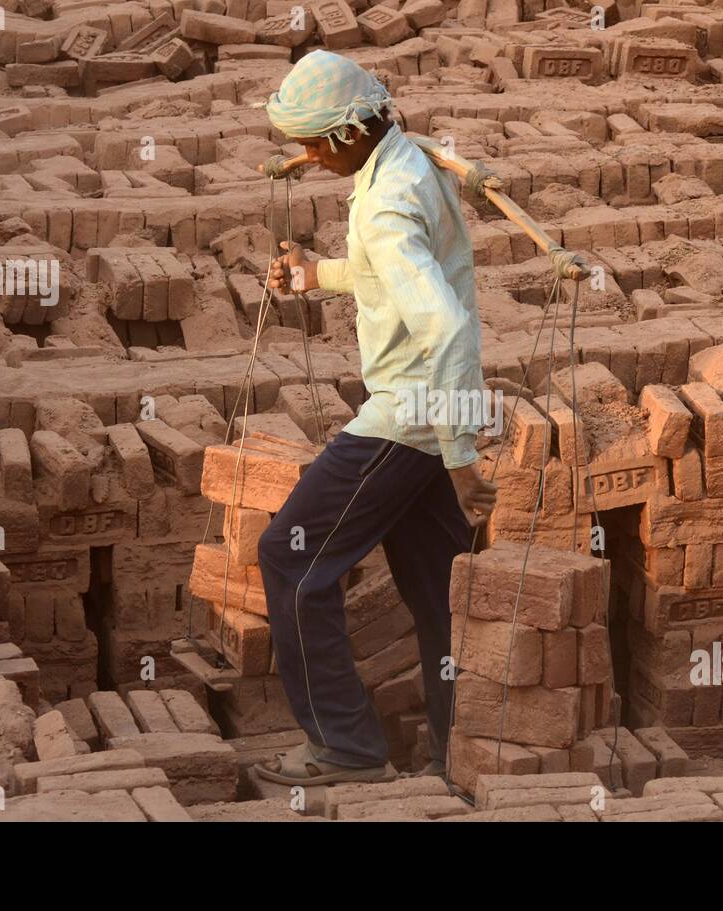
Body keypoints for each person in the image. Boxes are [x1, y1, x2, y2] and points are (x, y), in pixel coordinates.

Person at [252, 50, 497, 786]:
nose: (308, 157)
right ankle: (461, 752)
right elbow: (391, 269)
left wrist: (460, 457)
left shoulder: (387, 201)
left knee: (289, 559)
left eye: (315, 143)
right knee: (438, 594)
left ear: (351, 132)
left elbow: (446, 327)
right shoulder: (402, 162)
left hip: (407, 422)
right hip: (425, 424)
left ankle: (347, 746)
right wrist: (318, 275)